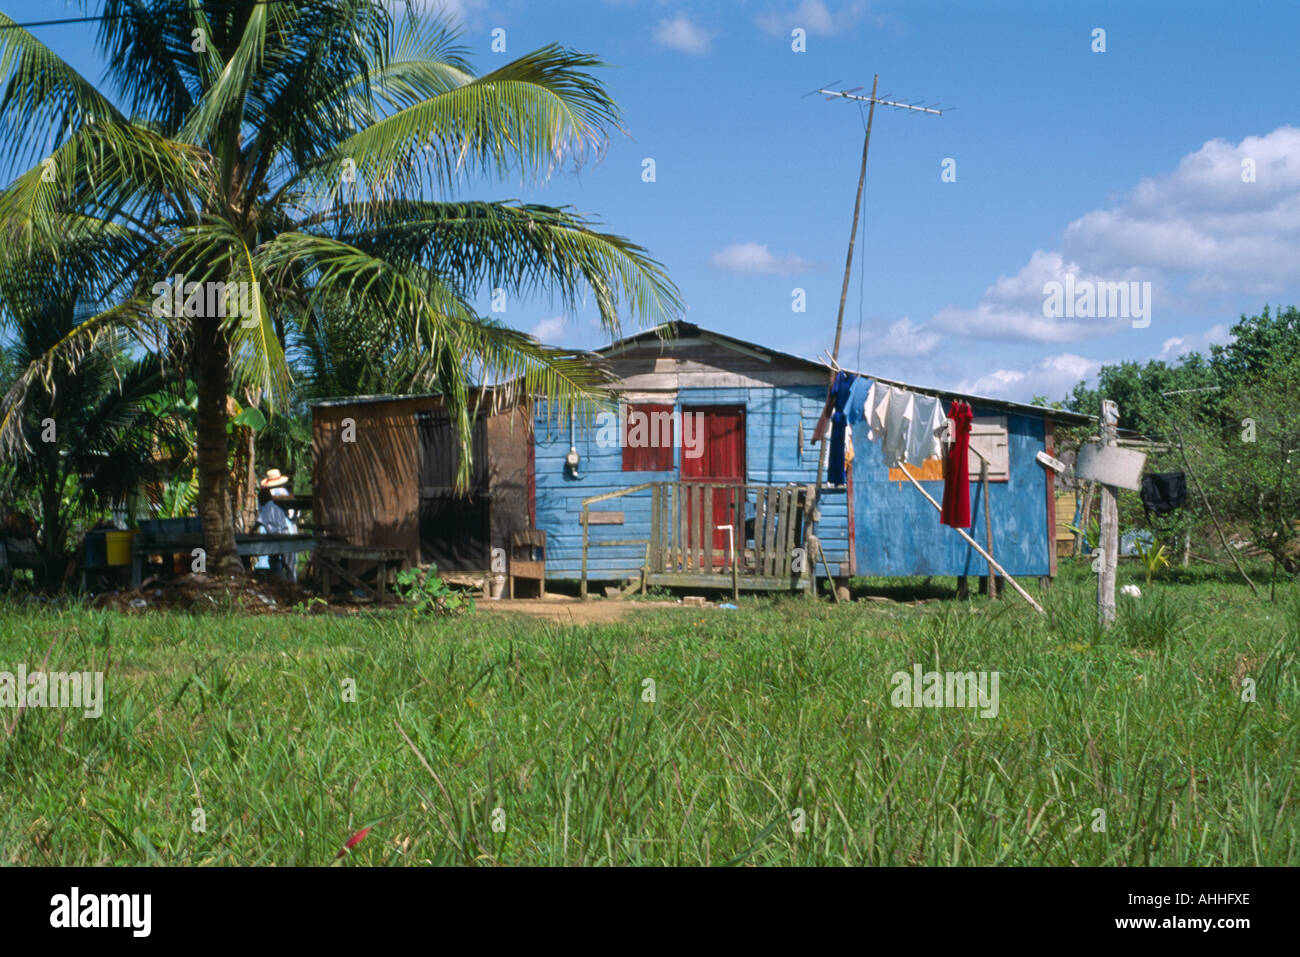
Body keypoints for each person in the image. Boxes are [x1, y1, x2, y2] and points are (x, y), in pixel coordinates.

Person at [256, 469, 298, 581]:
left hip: (269, 530)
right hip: (286, 528)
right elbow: (292, 513)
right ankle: (292, 582)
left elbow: (260, 516)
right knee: (289, 562)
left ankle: (278, 579)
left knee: (273, 558)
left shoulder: (264, 496)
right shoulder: (285, 493)